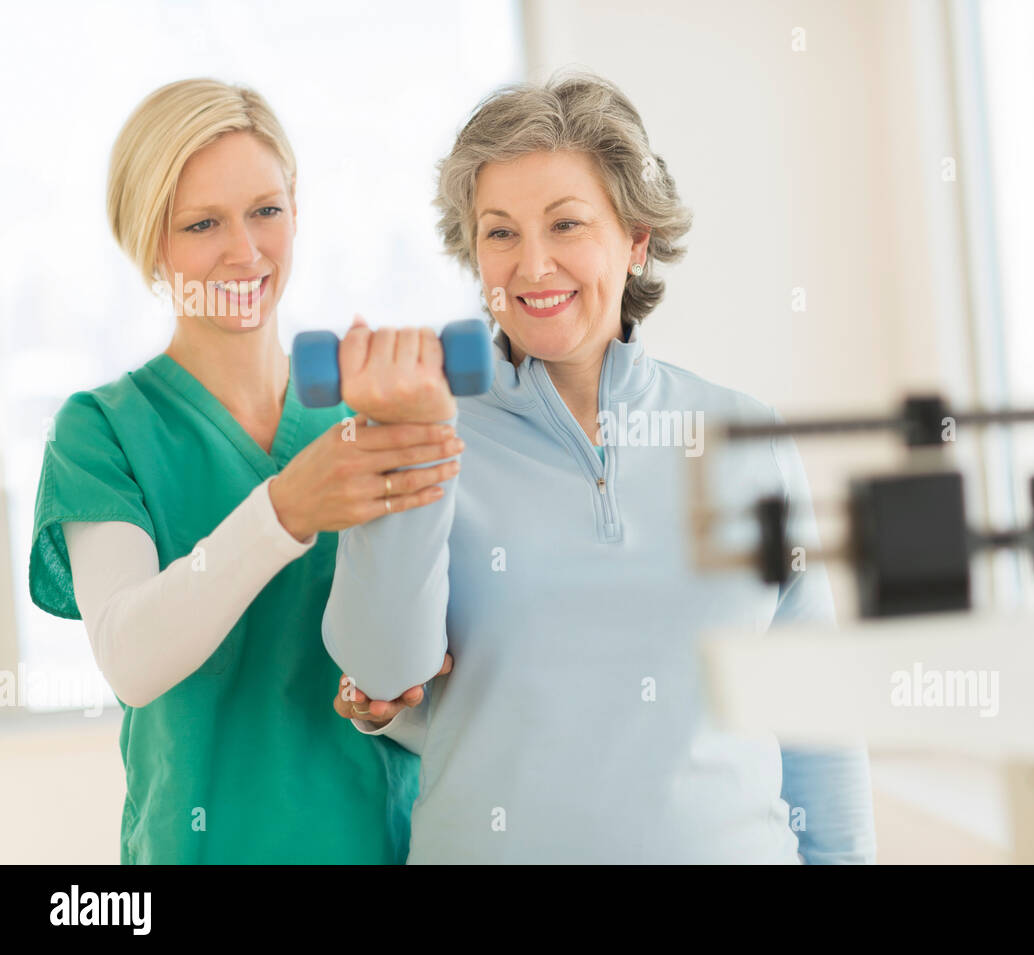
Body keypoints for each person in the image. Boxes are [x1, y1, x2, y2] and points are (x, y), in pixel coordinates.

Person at [326, 72, 876, 863]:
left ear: (637, 238)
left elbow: (815, 718)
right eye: (501, 232)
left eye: (566, 224)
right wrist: (407, 436)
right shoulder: (429, 428)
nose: (532, 264)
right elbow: (381, 667)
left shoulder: (743, 434)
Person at [28, 78, 459, 863]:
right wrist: (285, 510)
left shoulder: (362, 419)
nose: (244, 250)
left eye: (266, 209)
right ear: (149, 242)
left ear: (296, 208)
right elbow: (132, 658)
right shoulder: (102, 430)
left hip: (378, 843)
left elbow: (442, 705)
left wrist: (393, 707)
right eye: (202, 223)